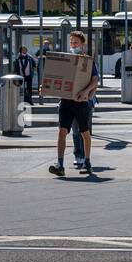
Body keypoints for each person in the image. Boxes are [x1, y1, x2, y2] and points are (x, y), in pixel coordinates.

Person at [49, 30, 100, 176]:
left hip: (81, 102)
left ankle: (87, 162)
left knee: (85, 132)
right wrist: (47, 87)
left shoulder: (88, 61)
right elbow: (57, 77)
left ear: (82, 44)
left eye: (75, 42)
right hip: (66, 101)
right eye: (71, 42)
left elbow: (95, 80)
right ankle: (60, 164)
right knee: (62, 132)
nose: (73, 45)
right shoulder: (66, 59)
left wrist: (85, 92)